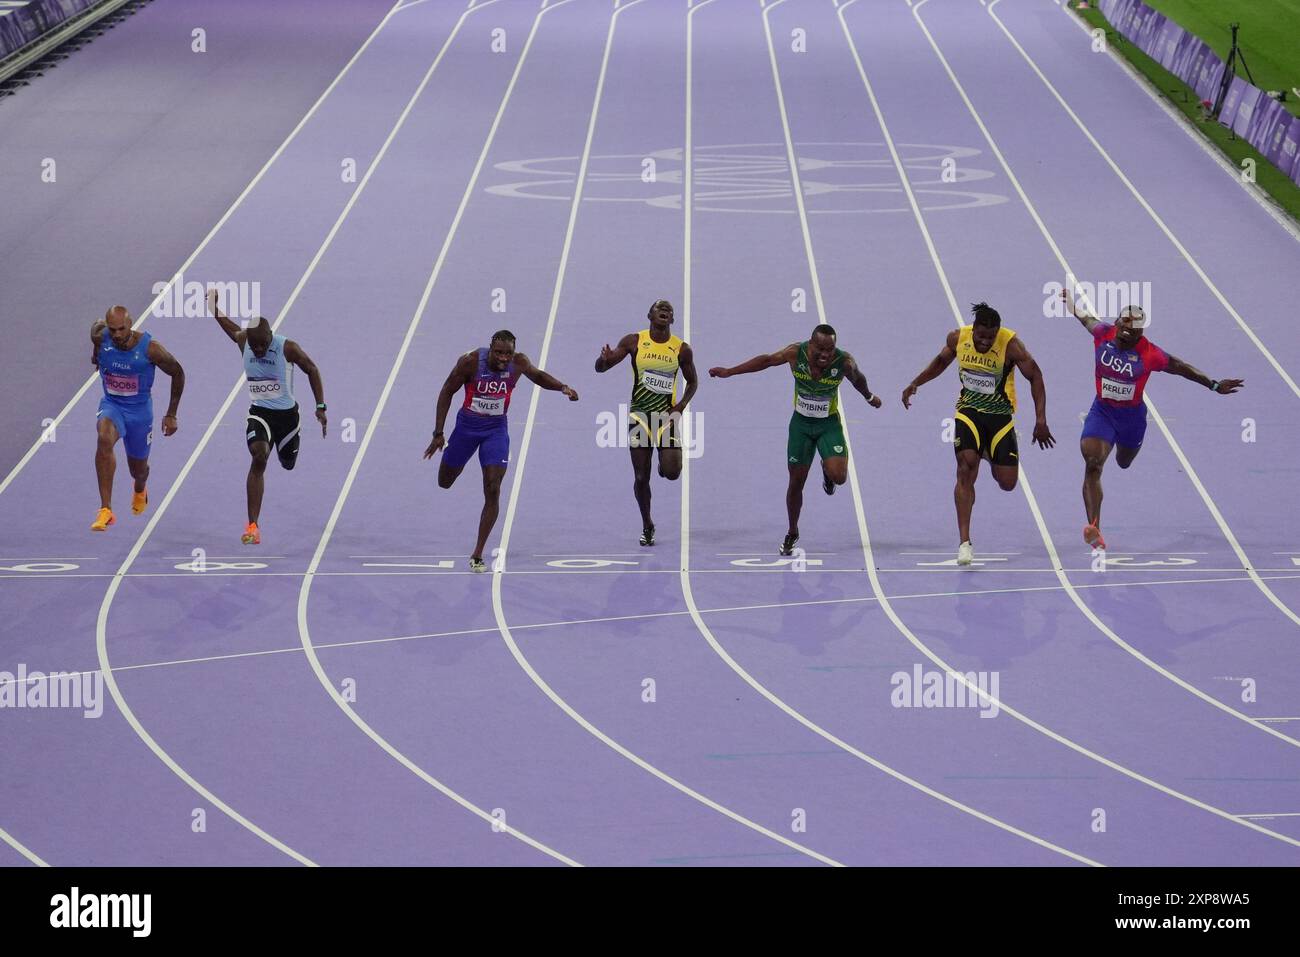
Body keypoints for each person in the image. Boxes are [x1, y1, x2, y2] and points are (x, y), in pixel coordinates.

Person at [1063, 288, 1242, 550]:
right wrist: (1070, 304)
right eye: (1124, 328)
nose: (1126, 335)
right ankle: (1094, 528)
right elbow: (1085, 318)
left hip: (1132, 420)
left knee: (1124, 462)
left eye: (1133, 333)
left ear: (1141, 334)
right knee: (1093, 463)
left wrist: (1213, 385)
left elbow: (1181, 368)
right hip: (1102, 412)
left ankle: (1124, 453)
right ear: (1116, 324)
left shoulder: (1150, 354)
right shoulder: (1102, 333)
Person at [709, 323, 881, 556]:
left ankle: (826, 469)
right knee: (796, 483)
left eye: (829, 350)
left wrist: (869, 397)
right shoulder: (794, 353)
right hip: (801, 425)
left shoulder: (844, 362)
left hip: (828, 424)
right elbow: (767, 361)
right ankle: (792, 531)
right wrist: (730, 371)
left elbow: (857, 379)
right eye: (820, 349)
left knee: (839, 477)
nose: (824, 355)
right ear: (810, 344)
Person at [901, 303, 1054, 565]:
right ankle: (964, 543)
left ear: (997, 332)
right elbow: (940, 362)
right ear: (974, 329)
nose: (984, 342)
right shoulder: (958, 338)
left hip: (1000, 419)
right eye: (980, 336)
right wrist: (916, 383)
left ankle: (988, 453)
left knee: (1007, 483)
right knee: (965, 468)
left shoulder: (1011, 345)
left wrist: (1041, 419)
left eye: (990, 337)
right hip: (968, 413)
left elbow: (1036, 376)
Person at [425, 331, 578, 572]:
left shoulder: (519, 363)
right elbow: (447, 391)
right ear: (490, 349)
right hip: (466, 428)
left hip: (496, 430)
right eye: (499, 353)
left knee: (493, 487)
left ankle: (477, 553)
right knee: (444, 482)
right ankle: (454, 462)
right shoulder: (471, 362)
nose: (504, 358)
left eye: (508, 353)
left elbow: (538, 376)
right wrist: (438, 433)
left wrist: (563, 387)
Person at [207, 289, 326, 545]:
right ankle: (253, 526)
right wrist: (212, 305)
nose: (258, 349)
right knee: (259, 457)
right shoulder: (243, 341)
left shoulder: (287, 348)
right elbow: (227, 324)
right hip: (259, 414)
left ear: (271, 336)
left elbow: (312, 369)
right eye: (254, 345)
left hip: (287, 419)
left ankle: (288, 451)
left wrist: (320, 405)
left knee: (288, 463)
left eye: (263, 344)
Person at [593, 299, 698, 546]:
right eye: (659, 308)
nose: (664, 311)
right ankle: (647, 524)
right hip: (640, 416)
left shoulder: (681, 349)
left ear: (672, 320)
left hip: (665, 417)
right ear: (649, 315)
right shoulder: (634, 341)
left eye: (669, 310)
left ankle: (665, 463)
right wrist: (603, 359)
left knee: (672, 473)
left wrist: (680, 407)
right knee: (641, 477)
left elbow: (693, 382)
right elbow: (601, 369)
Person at [89, 306, 185, 531]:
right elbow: (95, 331)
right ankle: (105, 510)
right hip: (112, 405)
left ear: (131, 324)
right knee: (103, 437)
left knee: (138, 470)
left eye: (122, 329)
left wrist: (171, 414)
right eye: (112, 330)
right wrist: (96, 353)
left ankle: (140, 488)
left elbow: (178, 372)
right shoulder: (100, 336)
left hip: (140, 414)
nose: (117, 335)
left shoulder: (151, 349)